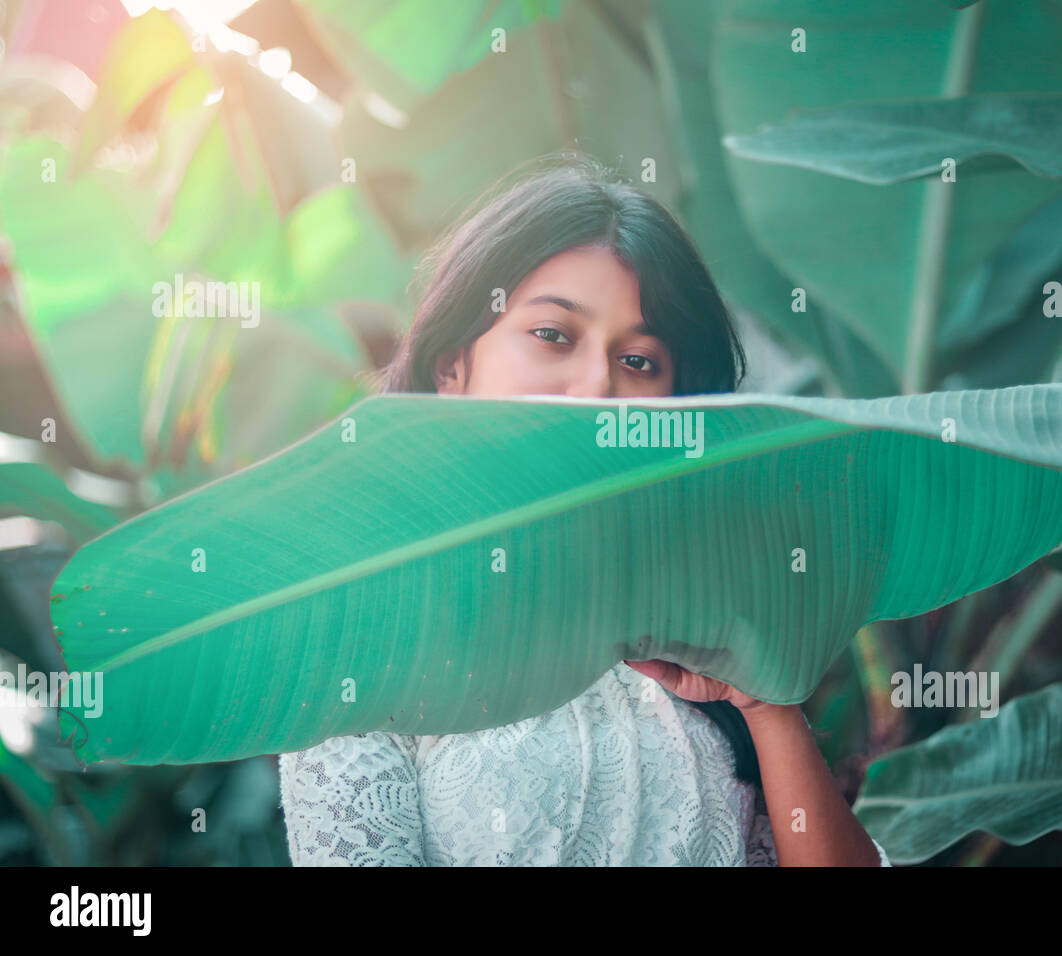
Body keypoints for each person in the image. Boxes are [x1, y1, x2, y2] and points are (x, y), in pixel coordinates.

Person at [277, 153, 890, 867]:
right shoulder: (360, 639)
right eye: (553, 336)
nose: (597, 384)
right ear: (452, 370)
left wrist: (767, 707)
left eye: (639, 361)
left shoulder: (710, 634)